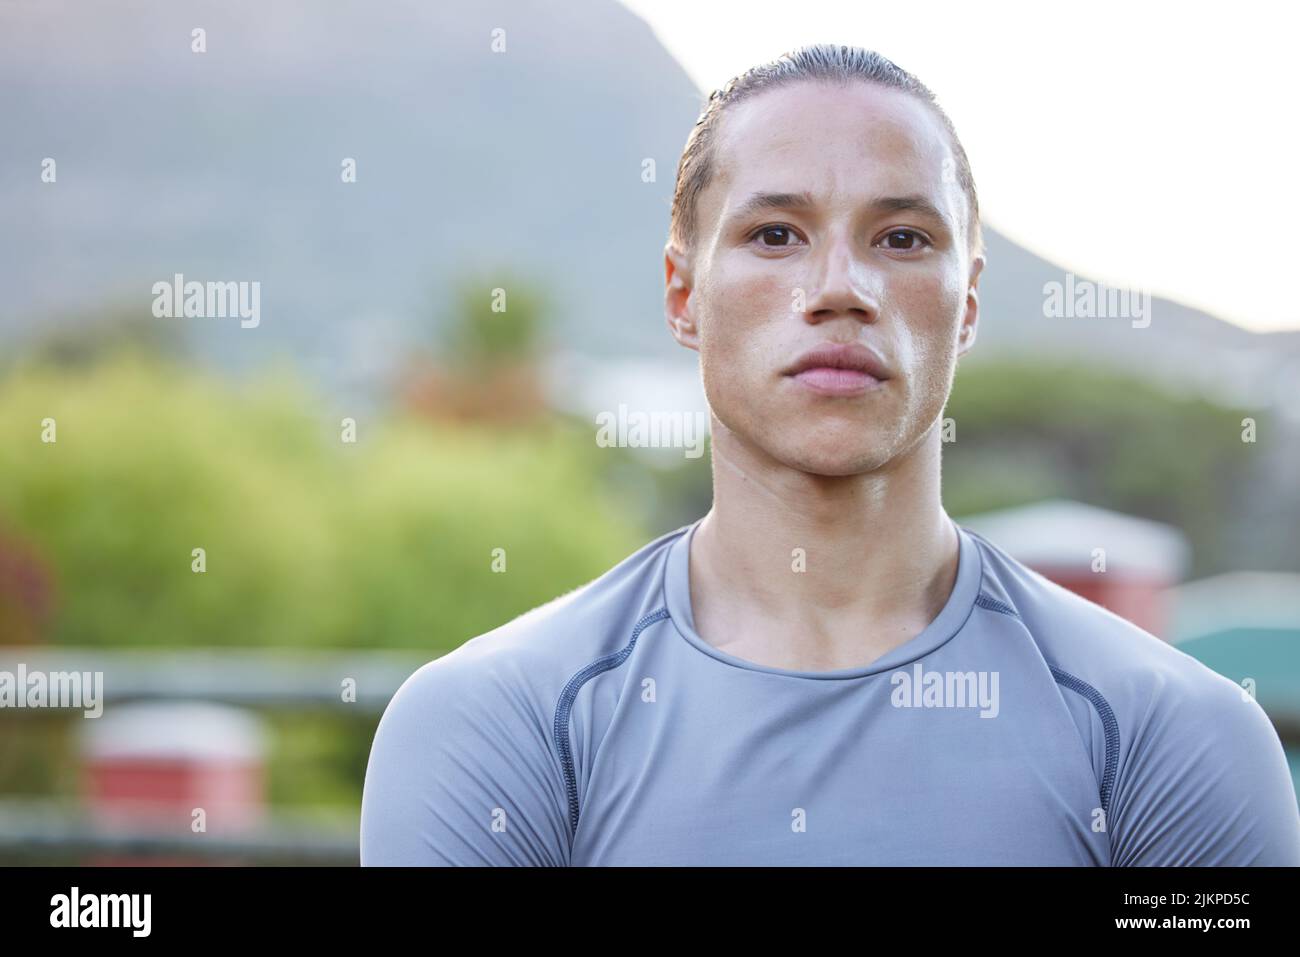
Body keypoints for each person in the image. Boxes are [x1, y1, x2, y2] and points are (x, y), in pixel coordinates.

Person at [360, 44, 1300, 865]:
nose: (839, 288)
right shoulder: (498, 725)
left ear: (965, 302)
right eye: (776, 235)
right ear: (683, 294)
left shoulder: (1169, 738)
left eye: (901, 237)